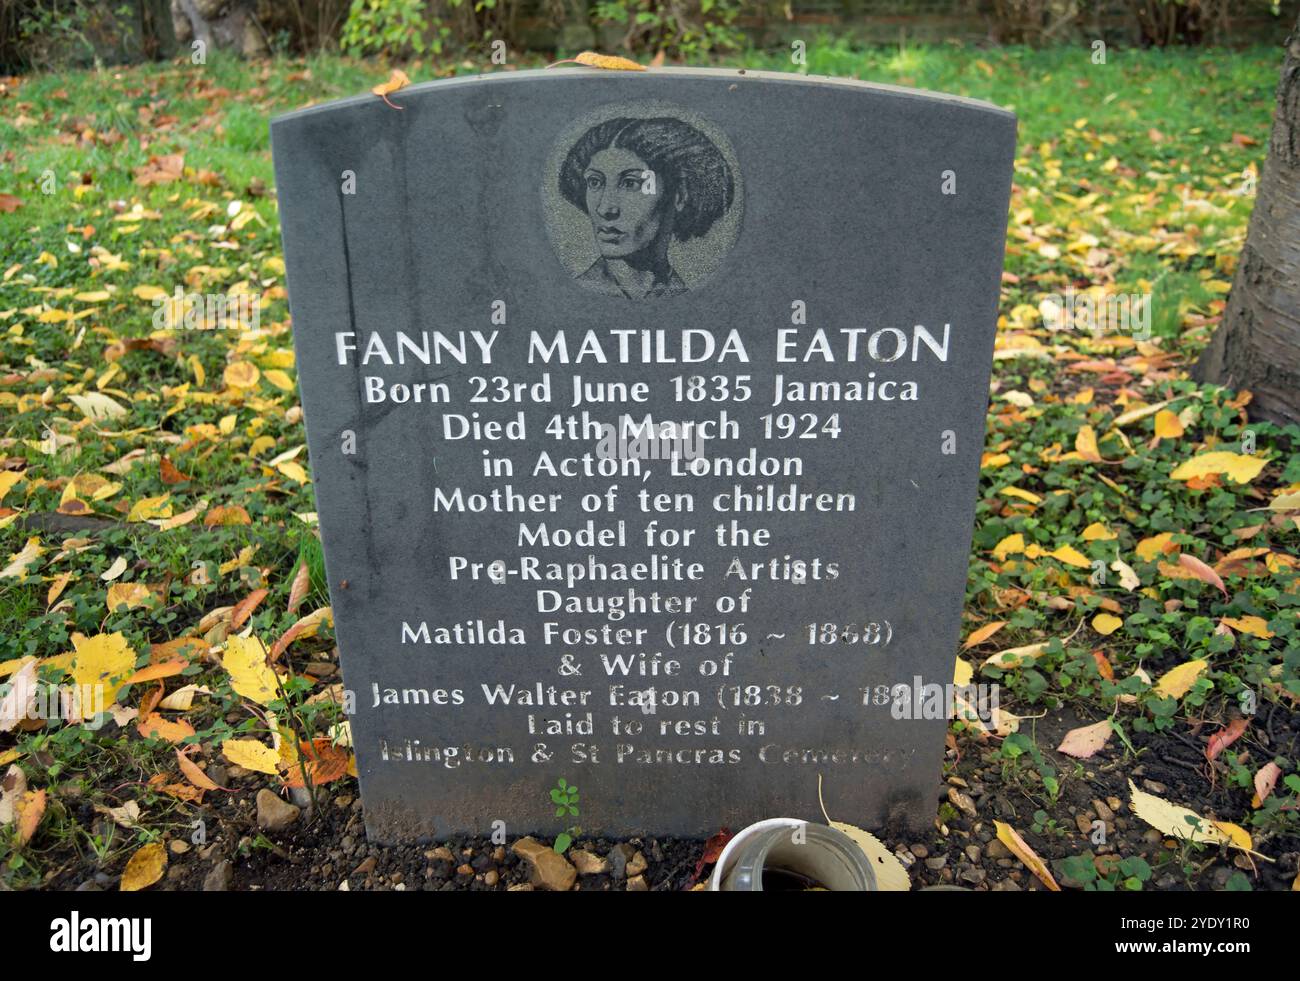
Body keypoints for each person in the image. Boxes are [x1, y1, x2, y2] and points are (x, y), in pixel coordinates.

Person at [558, 116, 734, 300]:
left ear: (680, 195)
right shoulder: (569, 297)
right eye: (595, 182)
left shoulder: (696, 301)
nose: (605, 208)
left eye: (630, 183)